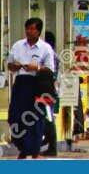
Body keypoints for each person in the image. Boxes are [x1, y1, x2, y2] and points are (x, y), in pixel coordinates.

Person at [7, 18, 55, 159]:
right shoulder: (17, 46)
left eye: (33, 29)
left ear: (39, 31)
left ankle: (33, 150)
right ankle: (22, 147)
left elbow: (50, 70)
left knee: (35, 118)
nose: (29, 31)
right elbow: (9, 65)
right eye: (27, 28)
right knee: (15, 117)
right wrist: (15, 66)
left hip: (37, 85)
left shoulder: (45, 48)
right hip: (21, 84)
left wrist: (37, 67)